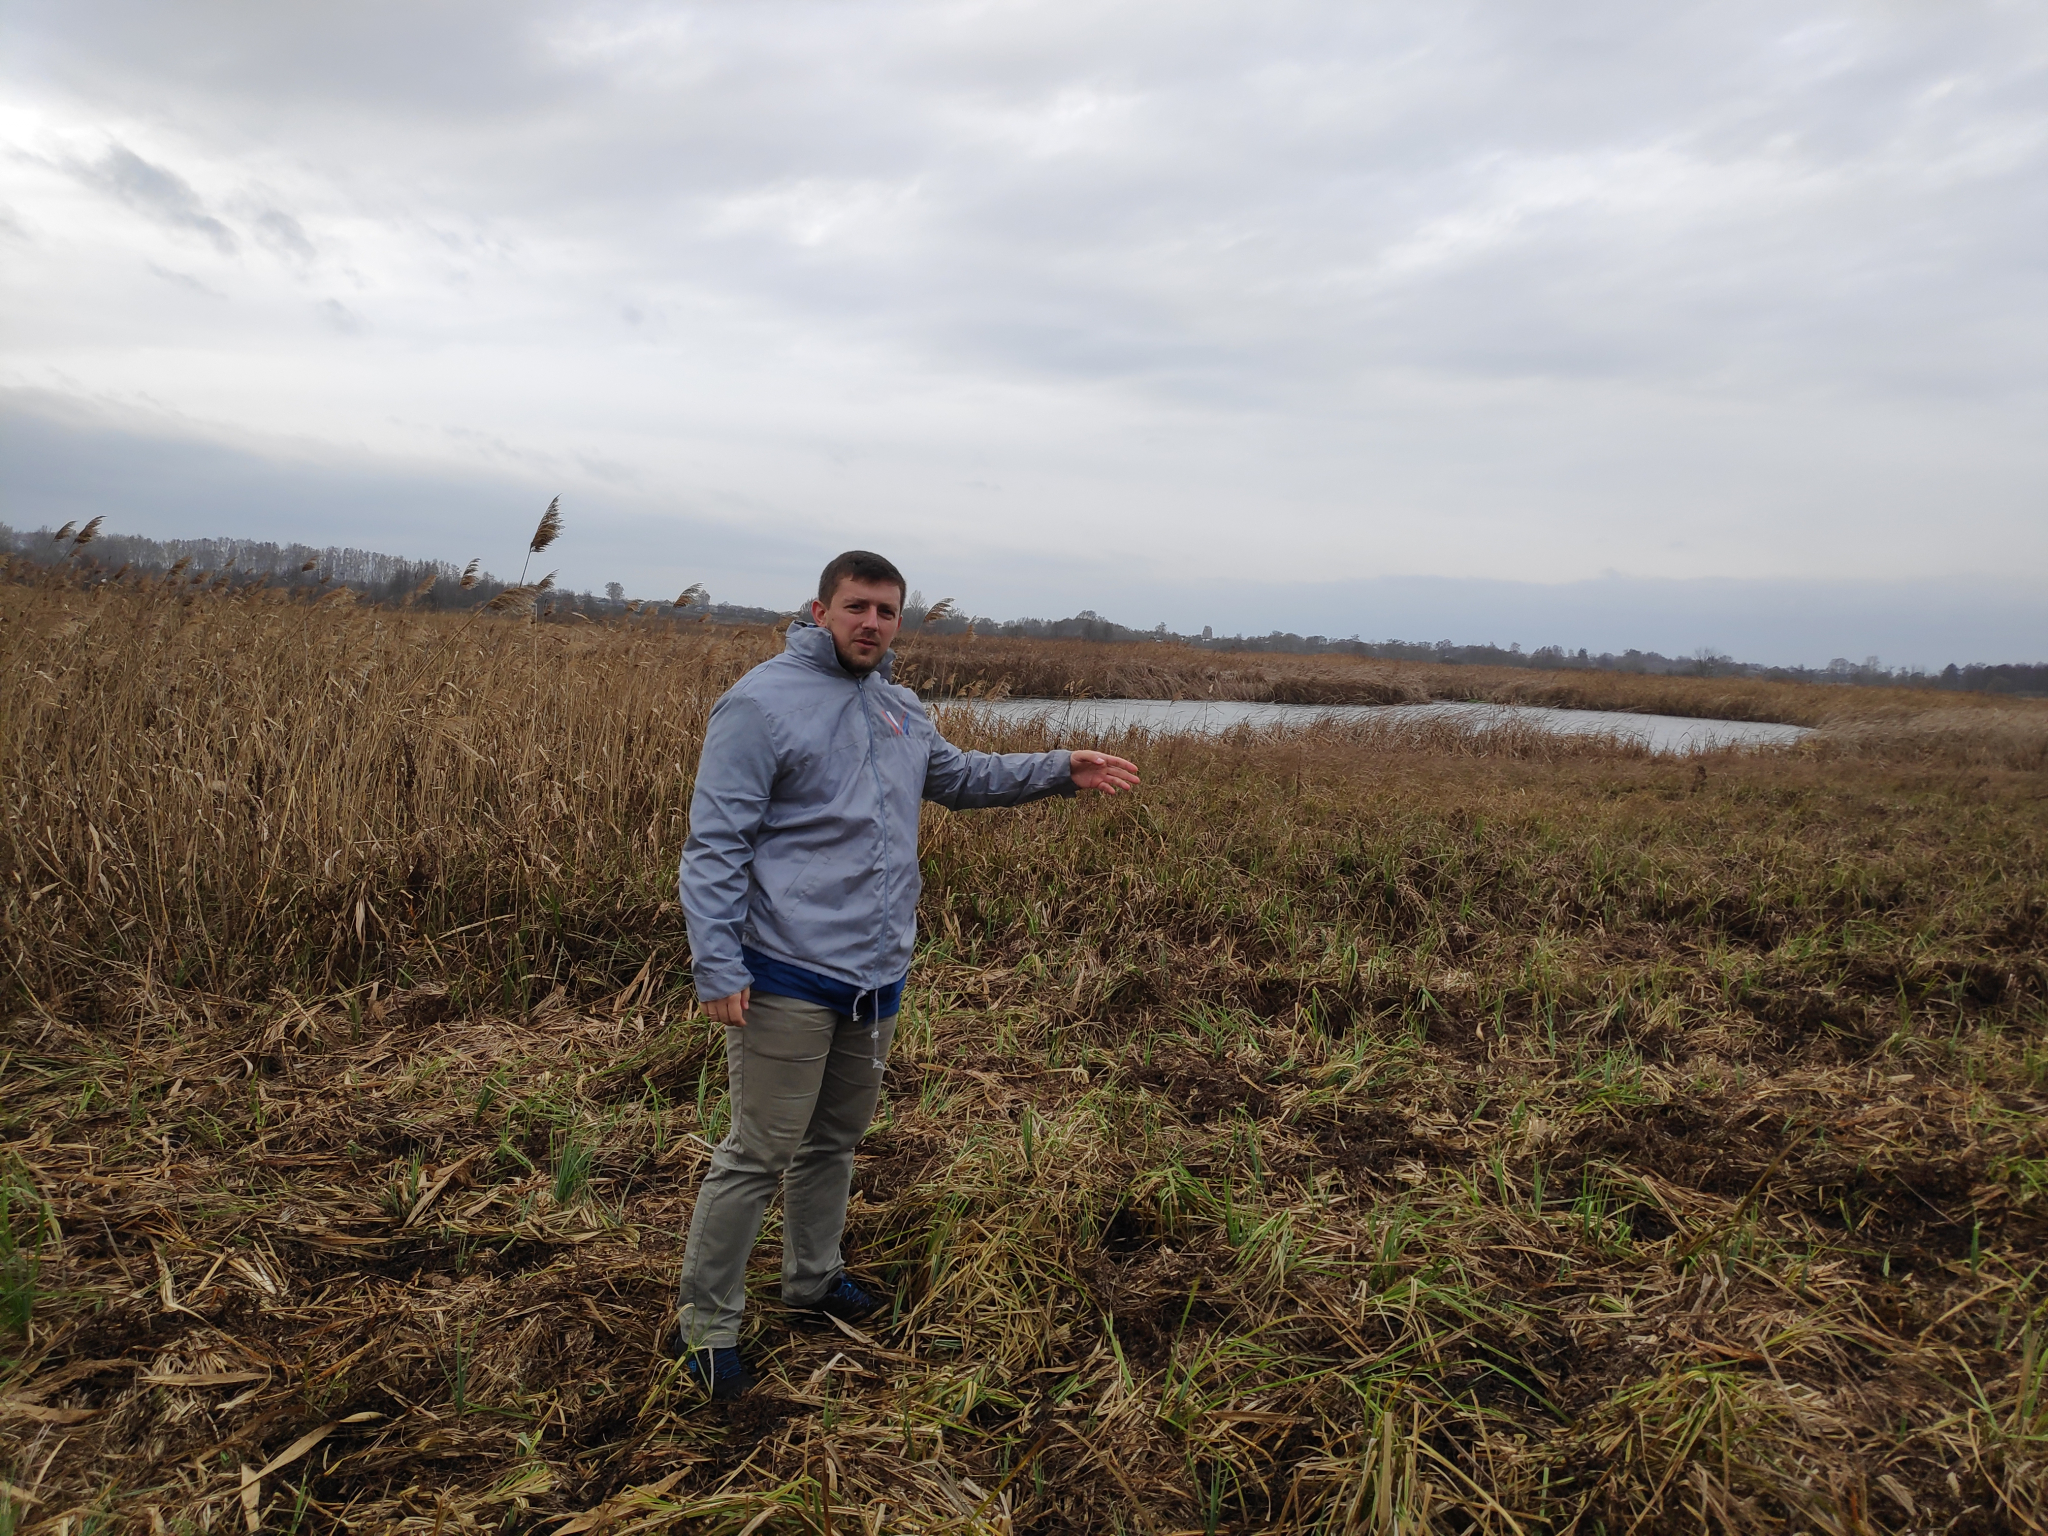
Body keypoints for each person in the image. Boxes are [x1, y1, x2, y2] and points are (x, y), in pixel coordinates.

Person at [673, 550, 1140, 1398]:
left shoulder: (897, 706)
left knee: (833, 1142)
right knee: (759, 1152)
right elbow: (715, 845)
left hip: (877, 973)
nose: (872, 624)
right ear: (820, 611)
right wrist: (718, 963)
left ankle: (813, 1282)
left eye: (886, 611)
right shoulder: (759, 703)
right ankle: (705, 1327)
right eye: (856, 607)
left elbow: (957, 777)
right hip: (786, 970)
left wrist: (1056, 769)